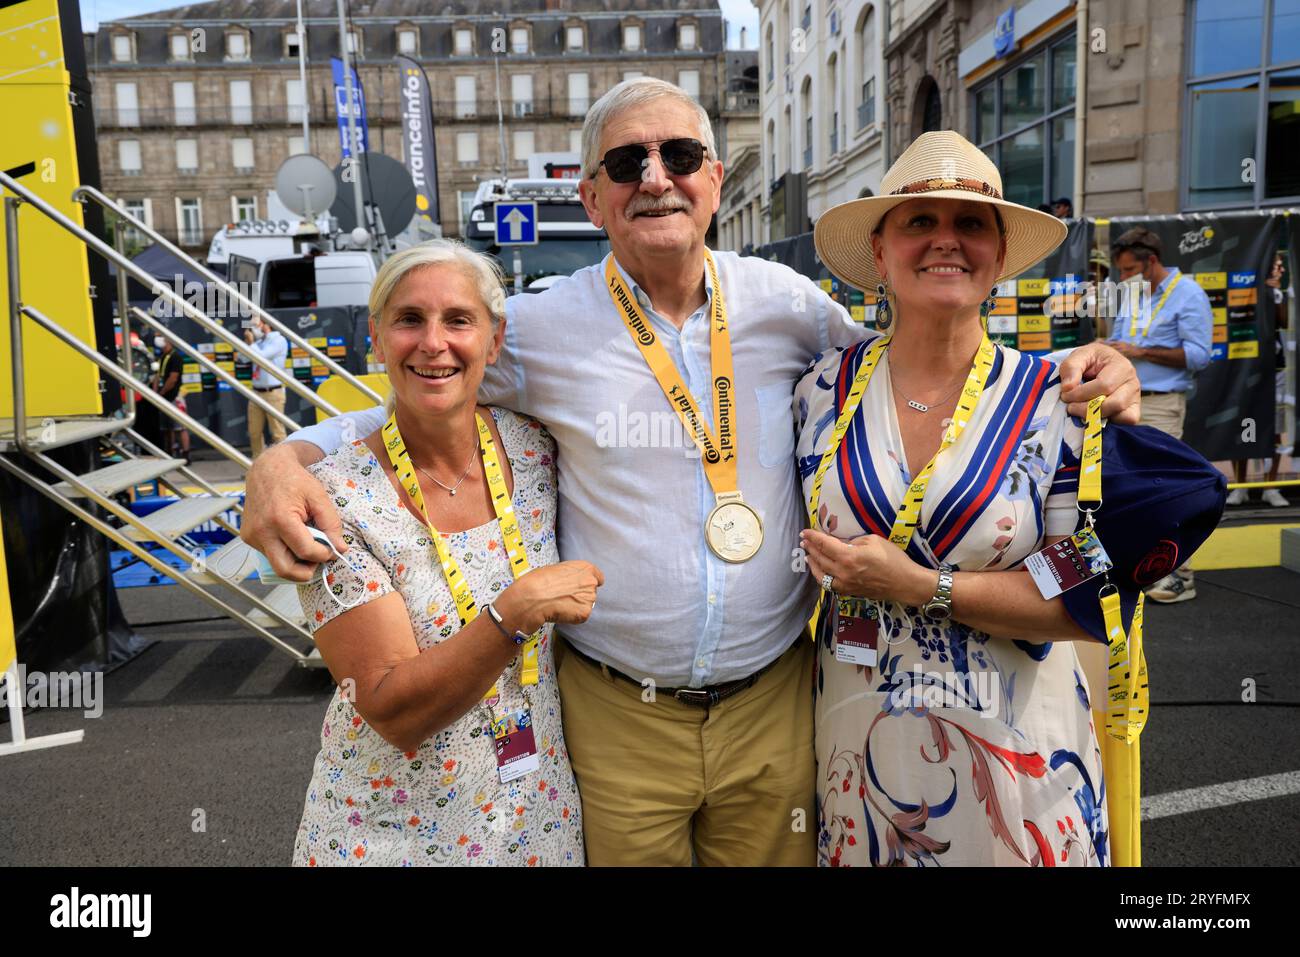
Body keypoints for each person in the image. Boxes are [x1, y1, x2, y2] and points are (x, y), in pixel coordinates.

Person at [240, 78, 1140, 867]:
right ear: (592, 197)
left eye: (681, 154)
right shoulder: (542, 327)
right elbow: (423, 390)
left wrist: (1088, 368)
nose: (656, 178)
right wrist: (280, 460)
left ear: (714, 177)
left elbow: (926, 355)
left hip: (777, 707)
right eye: (628, 162)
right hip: (619, 716)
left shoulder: (787, 306)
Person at [796, 130, 1140, 866]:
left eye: (970, 224)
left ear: (998, 256)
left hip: (1019, 762)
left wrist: (924, 587)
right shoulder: (820, 390)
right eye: (920, 221)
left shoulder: (1058, 400)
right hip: (857, 754)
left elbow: (1081, 598)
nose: (945, 241)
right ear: (881, 253)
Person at [289, 240, 600, 866]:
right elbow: (391, 709)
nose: (434, 343)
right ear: (377, 339)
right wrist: (516, 611)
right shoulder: (335, 503)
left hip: (538, 815)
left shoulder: (533, 447)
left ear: (493, 339)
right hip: (391, 831)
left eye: (458, 320)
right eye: (409, 319)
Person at [1105, 227, 1212, 603]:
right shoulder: (1134, 294)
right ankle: (1143, 569)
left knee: (1163, 490)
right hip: (1124, 401)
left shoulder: (1189, 294)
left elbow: (1199, 355)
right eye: (1120, 271)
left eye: (1129, 269)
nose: (1123, 278)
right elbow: (1121, 341)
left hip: (1163, 402)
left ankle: (1182, 577)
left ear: (1151, 261)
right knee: (1126, 488)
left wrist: (1141, 351)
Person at [1229, 251, 1291, 507]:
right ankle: (1241, 486)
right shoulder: (1243, 290)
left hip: (1275, 370)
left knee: (1273, 429)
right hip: (1245, 370)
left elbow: (1284, 321)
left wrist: (1274, 295)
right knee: (1245, 428)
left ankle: (1270, 486)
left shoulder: (1277, 293)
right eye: (1278, 265)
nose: (1282, 270)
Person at [244, 315, 289, 458]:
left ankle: (284, 465)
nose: (252, 328)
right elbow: (243, 358)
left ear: (265, 324)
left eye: (255, 324)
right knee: (254, 432)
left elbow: (261, 357)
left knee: (277, 432)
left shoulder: (278, 340)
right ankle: (257, 465)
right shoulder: (259, 342)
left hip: (273, 393)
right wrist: (247, 343)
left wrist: (251, 343)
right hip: (256, 393)